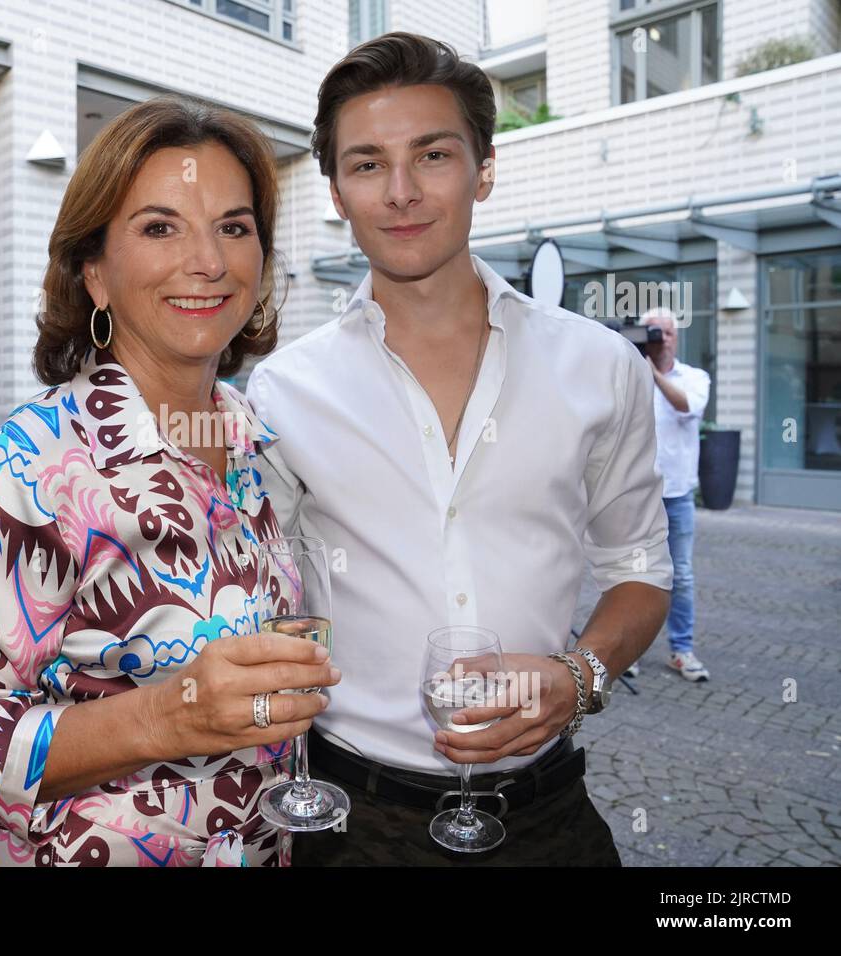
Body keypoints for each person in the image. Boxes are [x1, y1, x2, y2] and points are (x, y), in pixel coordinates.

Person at [246, 32, 674, 866]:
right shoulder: (281, 391)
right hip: (351, 823)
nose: (401, 192)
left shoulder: (599, 366)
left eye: (432, 155)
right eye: (367, 164)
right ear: (335, 190)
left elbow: (640, 570)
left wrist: (580, 676)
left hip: (547, 819)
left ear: (483, 168)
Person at [0, 96, 339, 867]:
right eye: (160, 226)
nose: (207, 260)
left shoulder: (253, 437)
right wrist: (169, 717)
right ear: (95, 271)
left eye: (234, 227)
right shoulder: (39, 462)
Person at [642, 307, 711, 682]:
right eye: (653, 332)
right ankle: (627, 651)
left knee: (680, 575)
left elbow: (686, 406)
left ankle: (681, 650)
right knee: (632, 572)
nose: (661, 339)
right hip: (635, 495)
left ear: (676, 337)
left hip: (678, 494)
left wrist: (651, 374)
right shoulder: (629, 375)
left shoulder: (694, 377)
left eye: (667, 333)